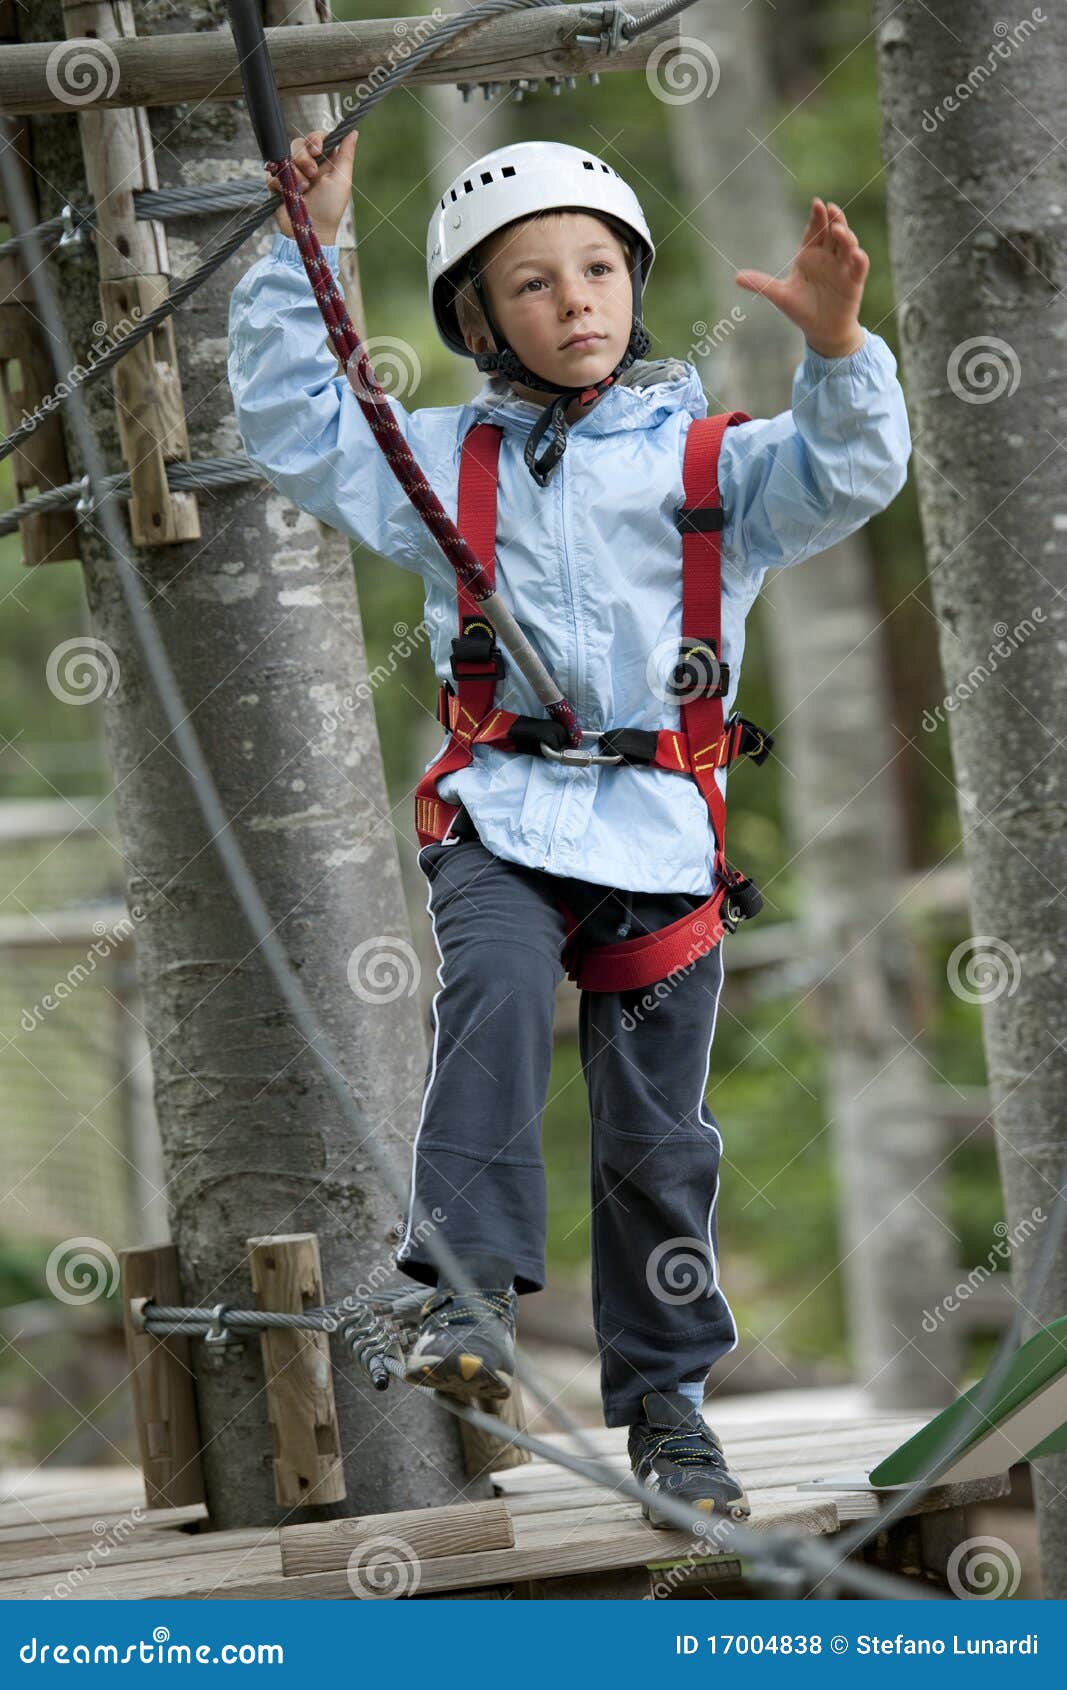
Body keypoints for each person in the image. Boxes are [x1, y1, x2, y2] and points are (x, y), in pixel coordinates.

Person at [228, 132, 911, 1526]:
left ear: (634, 284)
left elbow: (854, 472)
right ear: (481, 322)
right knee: (485, 993)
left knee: (659, 1140)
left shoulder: (719, 467)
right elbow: (299, 423)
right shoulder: (441, 471)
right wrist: (300, 248)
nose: (577, 300)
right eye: (533, 284)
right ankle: (467, 1295)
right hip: (506, 813)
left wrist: (840, 348)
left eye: (598, 268)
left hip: (664, 834)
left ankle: (669, 1409)